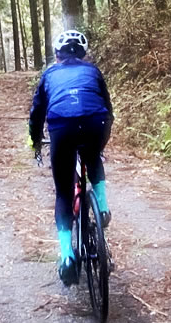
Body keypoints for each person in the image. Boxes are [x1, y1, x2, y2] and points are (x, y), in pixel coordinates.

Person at [29, 30, 113, 286]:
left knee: (63, 194)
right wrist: (101, 137)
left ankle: (67, 256)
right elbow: (107, 107)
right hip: (96, 123)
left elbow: (36, 113)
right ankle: (103, 206)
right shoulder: (93, 71)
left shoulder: (49, 75)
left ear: (57, 55)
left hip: (61, 128)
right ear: (84, 53)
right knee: (93, 153)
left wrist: (35, 141)